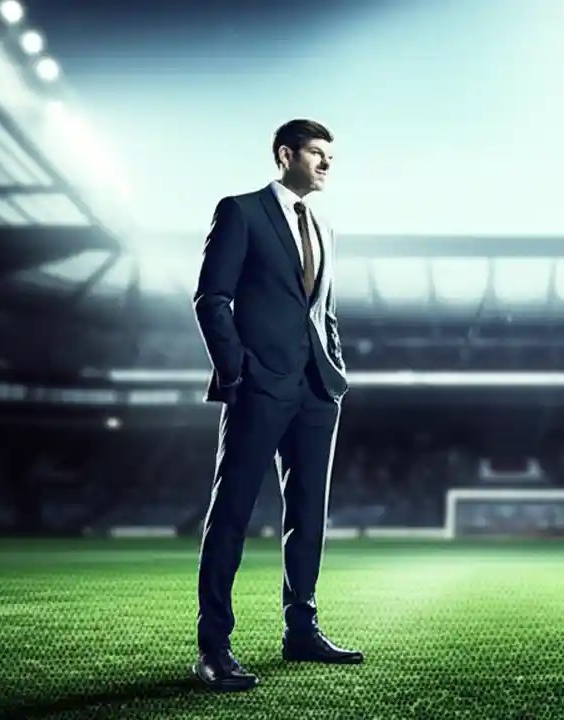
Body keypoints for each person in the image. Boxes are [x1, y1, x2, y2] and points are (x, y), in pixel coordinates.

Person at [191, 119, 361, 692]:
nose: (326, 164)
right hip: (260, 387)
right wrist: (240, 372)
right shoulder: (240, 211)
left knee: (308, 517)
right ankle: (214, 647)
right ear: (285, 154)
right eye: (316, 153)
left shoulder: (325, 226)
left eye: (330, 156)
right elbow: (211, 298)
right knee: (232, 515)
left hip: (317, 392)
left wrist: (334, 370)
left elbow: (324, 309)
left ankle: (302, 631)